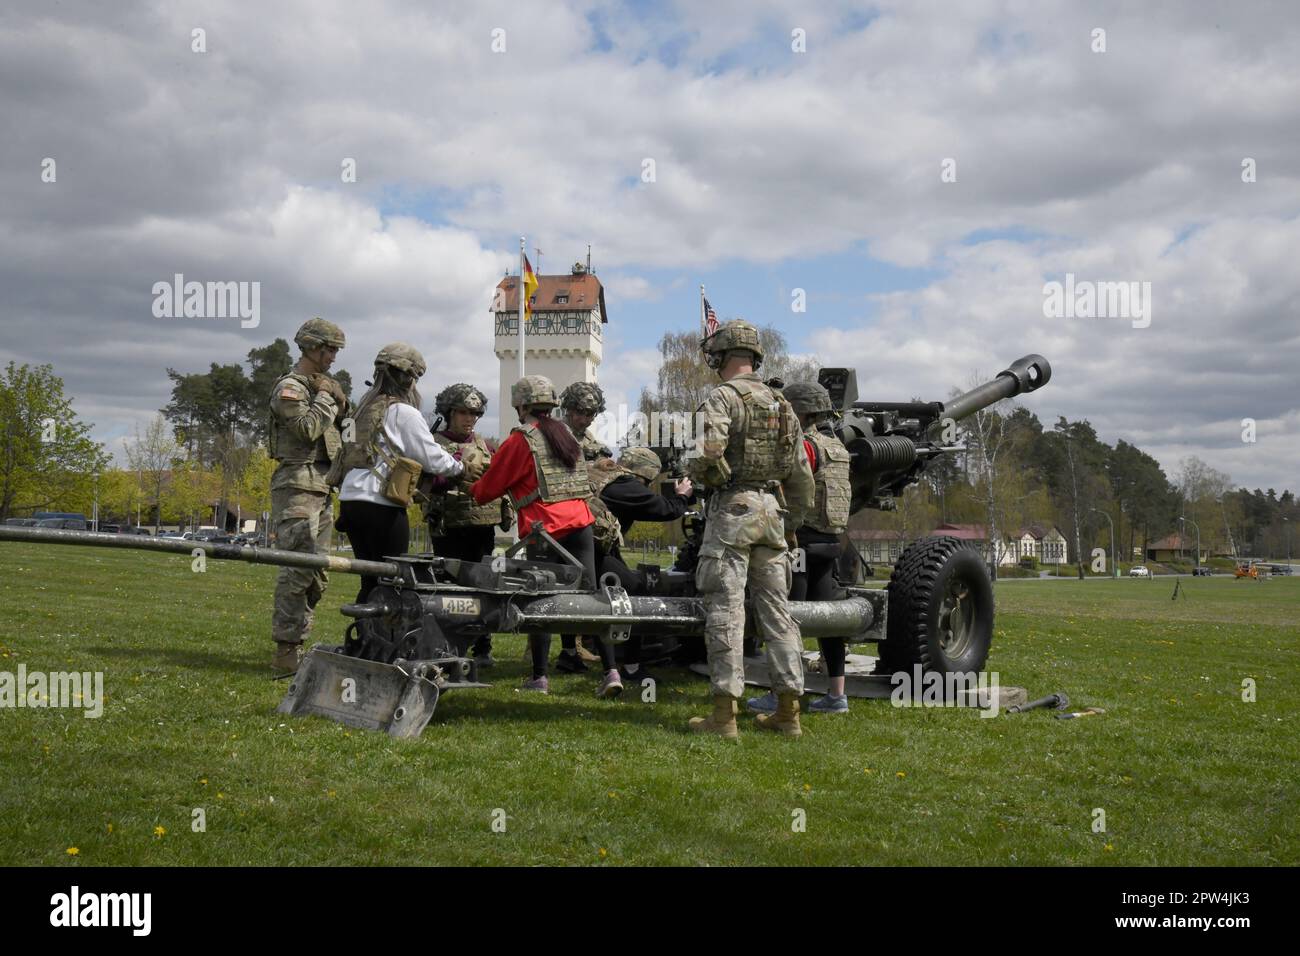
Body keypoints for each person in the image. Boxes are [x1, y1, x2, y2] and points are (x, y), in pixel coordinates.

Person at [686, 320, 814, 738]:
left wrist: (707, 475)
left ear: (721, 356)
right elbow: (800, 473)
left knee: (726, 610)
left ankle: (724, 718)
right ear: (756, 357)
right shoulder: (782, 404)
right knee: (778, 613)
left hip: (733, 513)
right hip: (771, 513)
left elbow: (708, 449)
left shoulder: (723, 397)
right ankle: (788, 712)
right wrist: (790, 521)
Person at [469, 375, 622, 698]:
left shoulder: (520, 440)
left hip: (545, 530)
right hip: (581, 524)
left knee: (540, 601)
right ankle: (611, 672)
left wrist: (468, 485)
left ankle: (539, 678)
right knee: (593, 599)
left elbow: (487, 491)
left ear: (521, 405)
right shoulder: (566, 435)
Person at [335, 344, 480, 603]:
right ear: (409, 378)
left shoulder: (361, 410)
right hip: (380, 505)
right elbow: (430, 456)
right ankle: (384, 641)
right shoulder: (402, 411)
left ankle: (363, 639)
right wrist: (461, 468)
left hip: (350, 502)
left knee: (369, 579)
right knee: (393, 580)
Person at [747, 382, 853, 716]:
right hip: (830, 542)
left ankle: (782, 695)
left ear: (800, 411)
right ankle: (837, 695)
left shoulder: (805, 446)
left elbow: (792, 485)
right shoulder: (836, 447)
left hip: (800, 542)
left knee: (785, 618)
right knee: (829, 619)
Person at [268, 317, 350, 674]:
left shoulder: (322, 386)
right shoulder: (291, 387)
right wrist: (327, 396)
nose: (333, 356)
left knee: (319, 575)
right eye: (329, 349)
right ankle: (286, 650)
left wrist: (335, 397)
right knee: (298, 571)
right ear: (312, 347)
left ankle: (299, 640)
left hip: (323, 483)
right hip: (297, 482)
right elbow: (306, 429)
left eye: (335, 350)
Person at [424, 383, 514, 668]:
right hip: (449, 526)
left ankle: (482, 647)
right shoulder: (433, 444)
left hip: (482, 526)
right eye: (463, 412)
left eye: (475, 413)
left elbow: (501, 481)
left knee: (484, 586)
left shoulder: (486, 446)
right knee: (451, 588)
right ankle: (450, 644)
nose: (469, 418)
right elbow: (425, 483)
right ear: (449, 412)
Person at [592, 446, 692, 682]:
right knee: (637, 591)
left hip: (587, 546)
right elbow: (666, 510)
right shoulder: (625, 486)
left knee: (616, 588)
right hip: (594, 551)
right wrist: (683, 496)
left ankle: (605, 659)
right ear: (644, 474)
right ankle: (631, 666)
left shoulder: (604, 475)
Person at [560, 381, 614, 462]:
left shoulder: (588, 437)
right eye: (579, 412)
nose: (583, 420)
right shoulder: (555, 432)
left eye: (590, 414)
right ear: (569, 410)